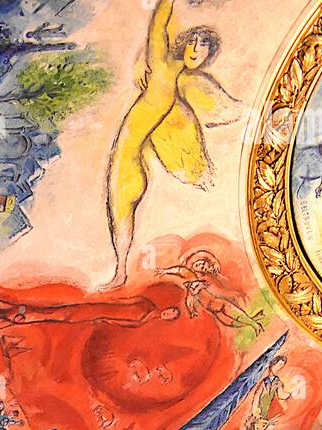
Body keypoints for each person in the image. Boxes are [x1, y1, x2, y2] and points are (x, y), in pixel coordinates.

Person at [104, 0, 238, 286]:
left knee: (121, 208)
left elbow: (219, 105)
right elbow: (158, 23)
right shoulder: (161, 64)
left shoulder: (190, 81)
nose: (196, 54)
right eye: (194, 45)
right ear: (185, 43)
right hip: (128, 159)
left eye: (204, 52)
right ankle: (119, 270)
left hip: (132, 159)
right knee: (120, 212)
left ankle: (119, 272)